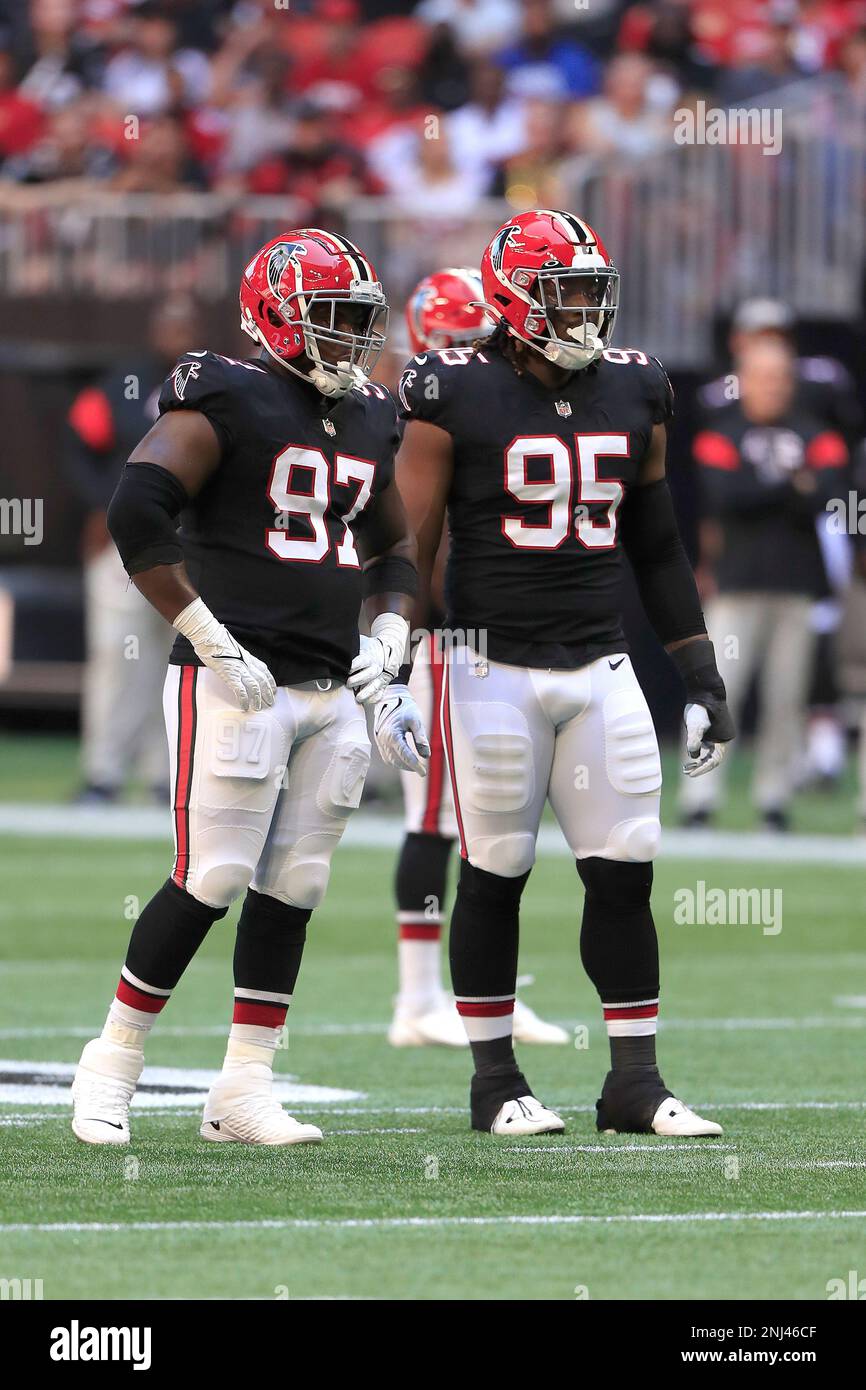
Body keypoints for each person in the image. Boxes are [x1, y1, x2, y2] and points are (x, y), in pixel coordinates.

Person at [71, 229, 429, 1147]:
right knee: (213, 875)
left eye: (361, 322)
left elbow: (394, 544)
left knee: (295, 885)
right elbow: (134, 510)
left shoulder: (369, 413)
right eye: (335, 320)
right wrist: (203, 635)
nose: (352, 340)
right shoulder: (226, 394)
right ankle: (111, 1062)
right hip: (235, 679)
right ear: (277, 317)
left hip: (328, 684)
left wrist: (390, 629)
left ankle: (243, 1088)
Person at [383, 209, 733, 1138]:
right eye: (565, 294)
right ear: (514, 299)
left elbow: (658, 552)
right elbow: (410, 548)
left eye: (592, 293)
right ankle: (495, 1083)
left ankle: (634, 1084)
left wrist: (700, 675)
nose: (584, 313)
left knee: (625, 872)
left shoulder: (637, 388)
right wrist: (387, 663)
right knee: (496, 871)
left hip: (603, 665)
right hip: (488, 667)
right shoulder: (452, 387)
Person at [390, 266, 567, 1048]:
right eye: (458, 344)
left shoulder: (503, 402)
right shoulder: (415, 412)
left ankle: (476, 994)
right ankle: (419, 997)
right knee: (436, 816)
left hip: (488, 630)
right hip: (436, 632)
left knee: (490, 824)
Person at [683, 337, 848, 830]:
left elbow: (829, 494)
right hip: (736, 585)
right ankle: (699, 798)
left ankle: (774, 799)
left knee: (786, 698)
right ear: (743, 380)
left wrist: (774, 489)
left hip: (796, 588)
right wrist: (790, 485)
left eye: (780, 377)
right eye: (762, 376)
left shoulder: (816, 432)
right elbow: (728, 496)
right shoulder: (721, 433)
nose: (772, 387)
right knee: (717, 695)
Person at [66, 295, 203, 804]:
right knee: (117, 652)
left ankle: (164, 774)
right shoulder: (122, 384)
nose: (176, 335)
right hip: (123, 545)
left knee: (179, 658)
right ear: (152, 330)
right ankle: (103, 771)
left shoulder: (216, 389)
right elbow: (79, 442)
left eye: (185, 326)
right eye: (168, 325)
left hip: (187, 545)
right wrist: (100, 507)